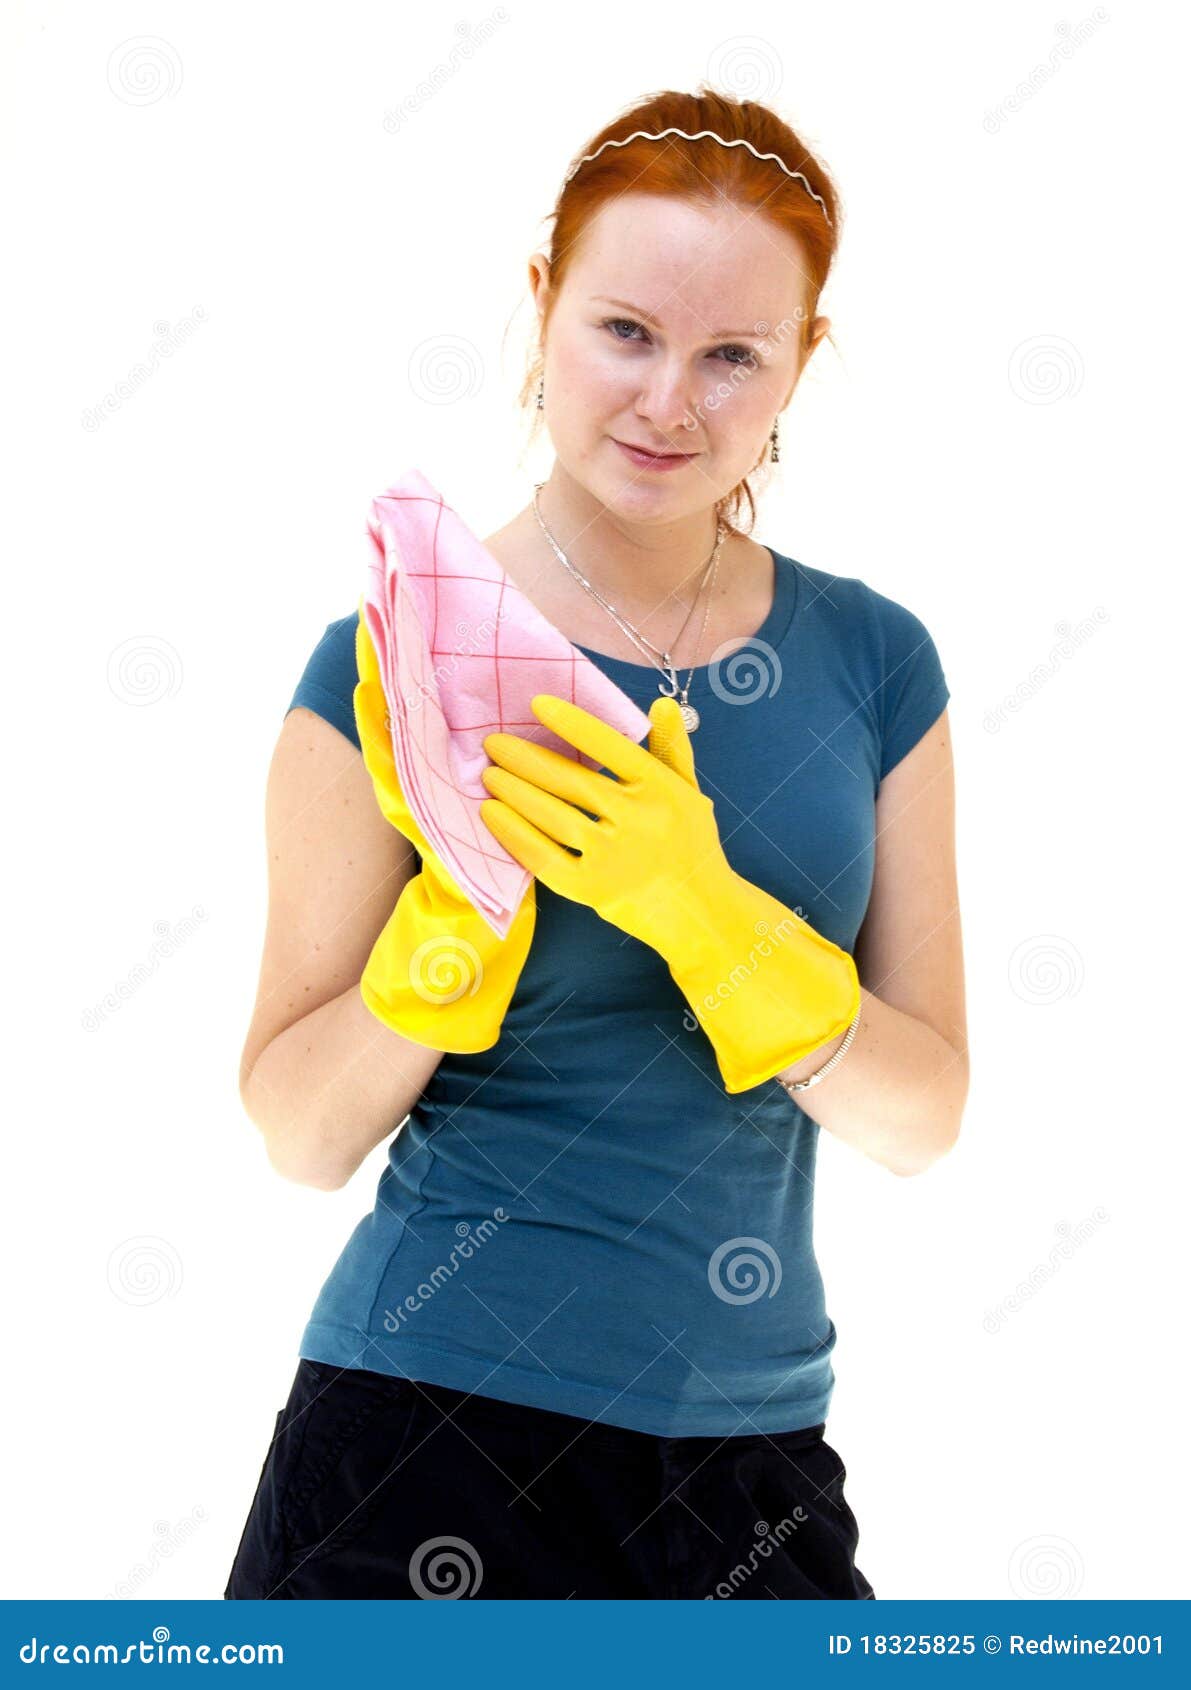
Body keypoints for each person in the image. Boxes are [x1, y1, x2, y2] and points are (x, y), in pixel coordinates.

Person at [225, 85, 968, 1601]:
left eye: (734, 355)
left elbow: (924, 1114)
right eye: (625, 331)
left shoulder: (875, 661)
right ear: (543, 306)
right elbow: (297, 1134)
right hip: (415, 1432)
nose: (669, 402)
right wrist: (434, 961)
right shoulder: (388, 659)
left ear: (800, 364)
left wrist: (709, 914)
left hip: (750, 1464)